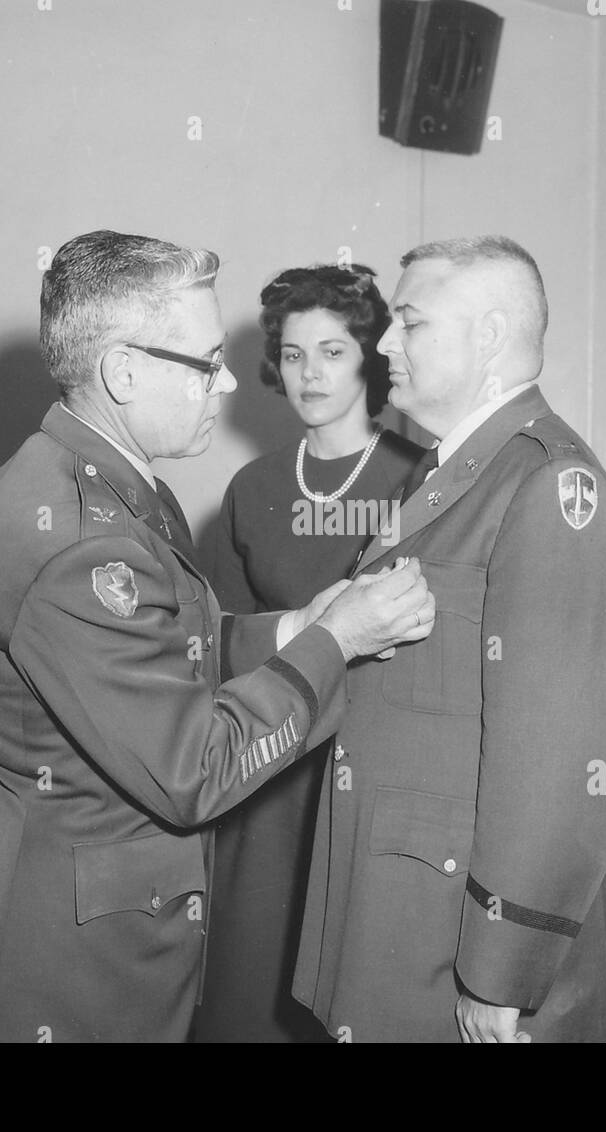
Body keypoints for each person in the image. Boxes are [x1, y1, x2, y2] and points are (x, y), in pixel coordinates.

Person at [0, 230, 434, 1042]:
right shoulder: (78, 539)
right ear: (124, 372)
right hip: (68, 955)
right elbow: (193, 769)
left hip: (110, 920)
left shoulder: (111, 484)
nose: (232, 379)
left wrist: (295, 627)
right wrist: (332, 644)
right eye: (206, 362)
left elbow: (168, 648)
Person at [292, 236, 606, 1043]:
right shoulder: (452, 474)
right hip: (403, 913)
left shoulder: (551, 488)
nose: (383, 344)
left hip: (468, 946)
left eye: (409, 322)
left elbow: (564, 762)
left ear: (488, 336)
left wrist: (501, 968)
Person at [195, 265, 425, 1043]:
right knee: (250, 997)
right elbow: (217, 647)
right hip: (267, 777)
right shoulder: (252, 488)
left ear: (370, 357)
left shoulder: (418, 478)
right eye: (294, 356)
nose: (311, 373)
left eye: (332, 351)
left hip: (374, 773)